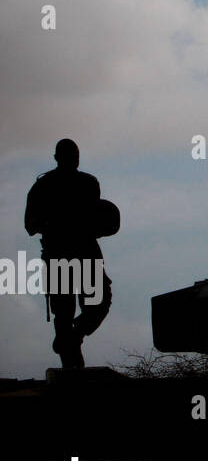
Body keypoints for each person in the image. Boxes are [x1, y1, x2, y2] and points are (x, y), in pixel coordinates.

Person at [24, 140, 113, 369]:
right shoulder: (59, 185)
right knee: (66, 314)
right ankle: (71, 358)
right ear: (58, 157)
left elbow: (99, 217)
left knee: (92, 307)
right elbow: (31, 224)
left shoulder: (82, 183)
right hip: (67, 255)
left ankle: (73, 338)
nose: (74, 158)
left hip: (78, 254)